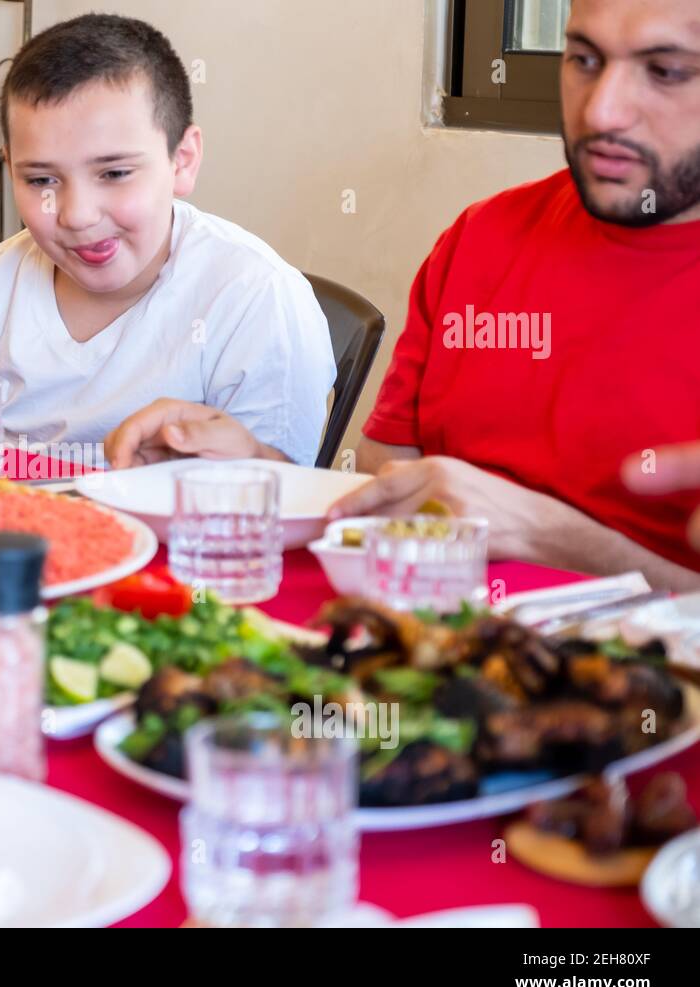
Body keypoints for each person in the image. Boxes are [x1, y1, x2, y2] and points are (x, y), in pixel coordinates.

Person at [106, 0, 700, 590]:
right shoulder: (483, 238)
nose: (603, 111)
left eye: (666, 71)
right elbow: (392, 488)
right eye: (585, 59)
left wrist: (547, 534)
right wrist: (256, 477)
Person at [0, 14, 336, 467]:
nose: (77, 215)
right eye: (42, 179)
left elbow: (275, 502)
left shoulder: (255, 301)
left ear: (182, 161)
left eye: (114, 174)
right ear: (10, 167)